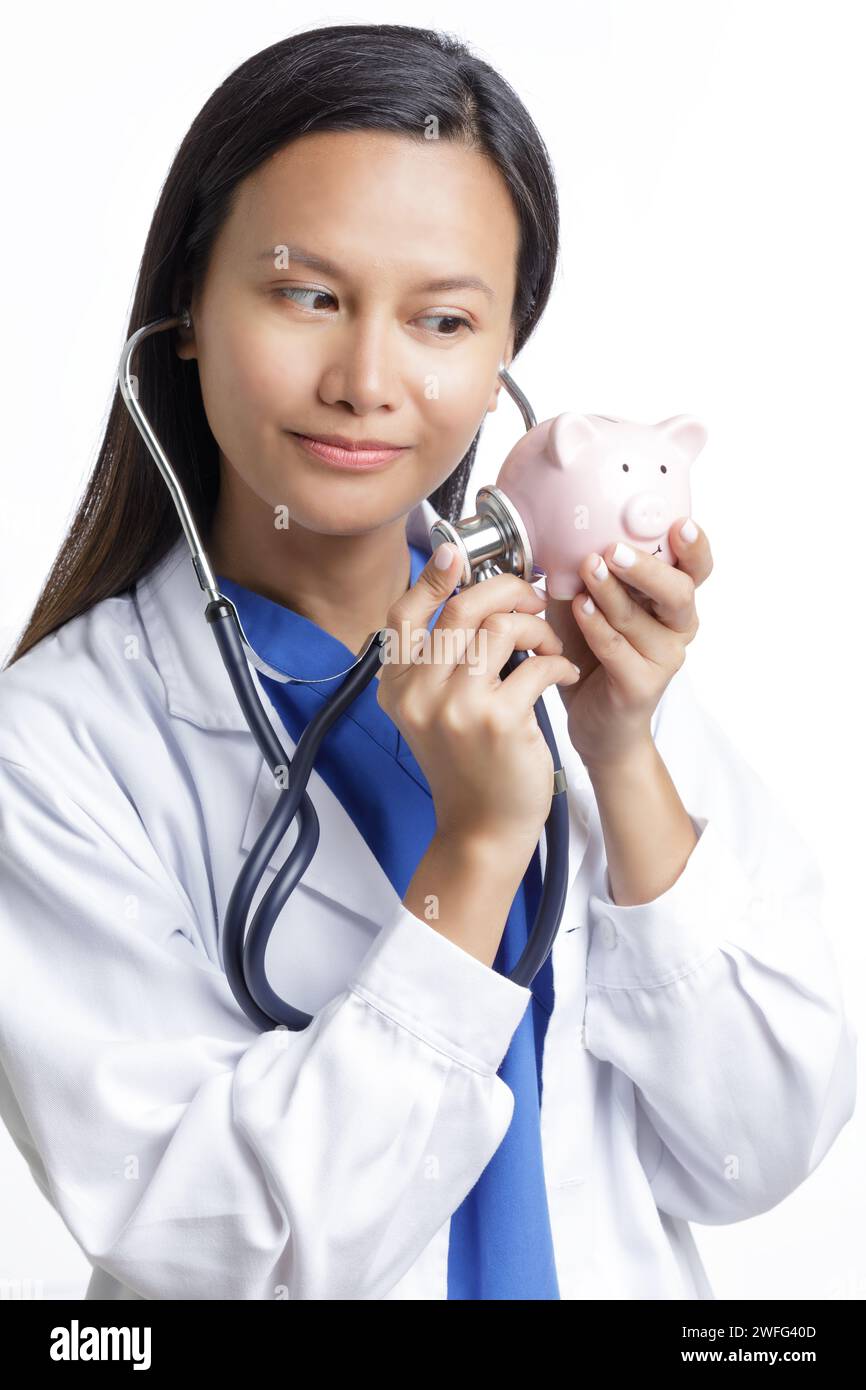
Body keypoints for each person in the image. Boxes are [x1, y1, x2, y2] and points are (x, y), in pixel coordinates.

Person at [0, 23, 855, 1302]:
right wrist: (471, 855)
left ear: (505, 348)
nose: (365, 379)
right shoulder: (57, 745)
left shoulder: (583, 671)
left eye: (441, 318)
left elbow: (755, 1151)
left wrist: (618, 754)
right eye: (306, 295)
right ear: (184, 310)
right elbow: (215, 1255)